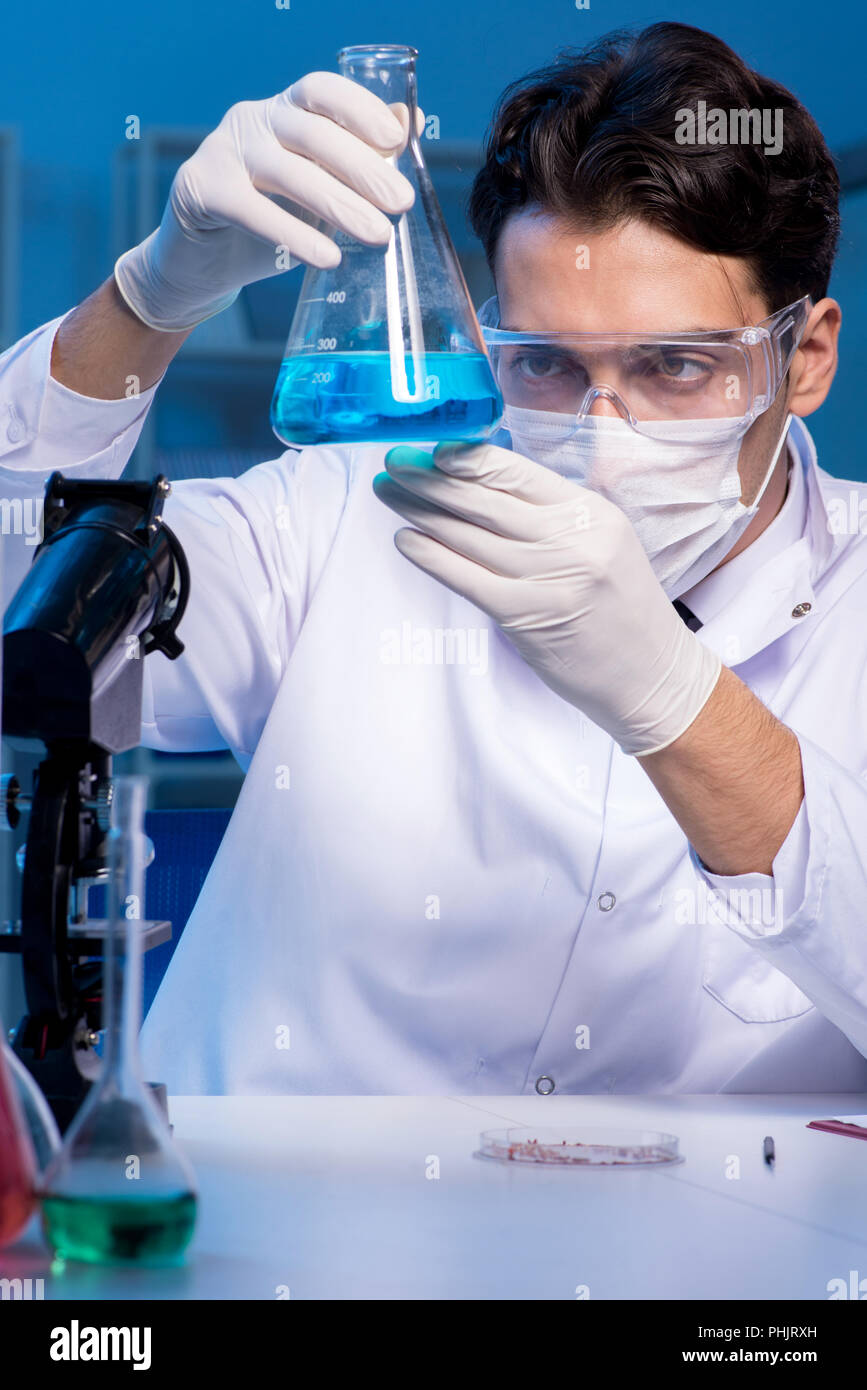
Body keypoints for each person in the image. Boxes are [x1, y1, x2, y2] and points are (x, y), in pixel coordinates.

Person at [1, 21, 863, 1096]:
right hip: (280, 1248)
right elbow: (20, 600)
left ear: (807, 354)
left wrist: (675, 698)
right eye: (543, 363)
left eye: (676, 365)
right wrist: (148, 300)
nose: (601, 436)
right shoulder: (347, 515)